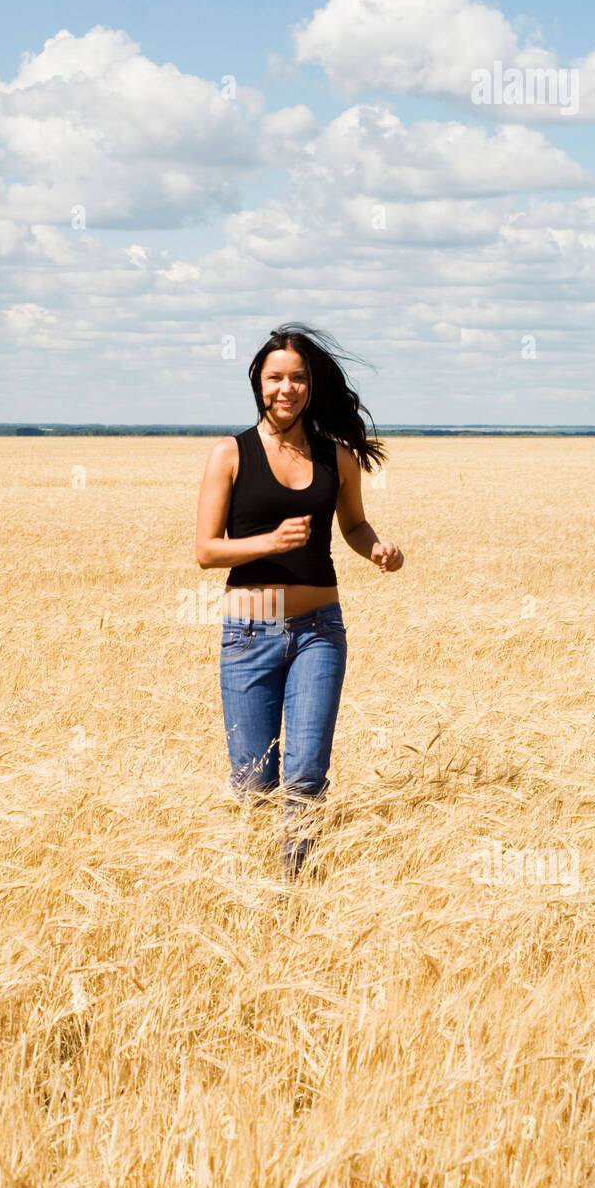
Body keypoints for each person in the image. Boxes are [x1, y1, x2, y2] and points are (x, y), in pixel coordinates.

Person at [195, 323, 404, 877]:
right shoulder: (229, 454)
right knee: (254, 779)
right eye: (274, 378)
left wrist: (377, 548)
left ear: (311, 385)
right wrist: (269, 541)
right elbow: (205, 551)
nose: (284, 389)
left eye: (296, 378)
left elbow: (355, 525)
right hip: (249, 630)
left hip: (319, 628)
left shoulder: (337, 457)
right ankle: (251, 884)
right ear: (257, 383)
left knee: (307, 772)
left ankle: (296, 885)